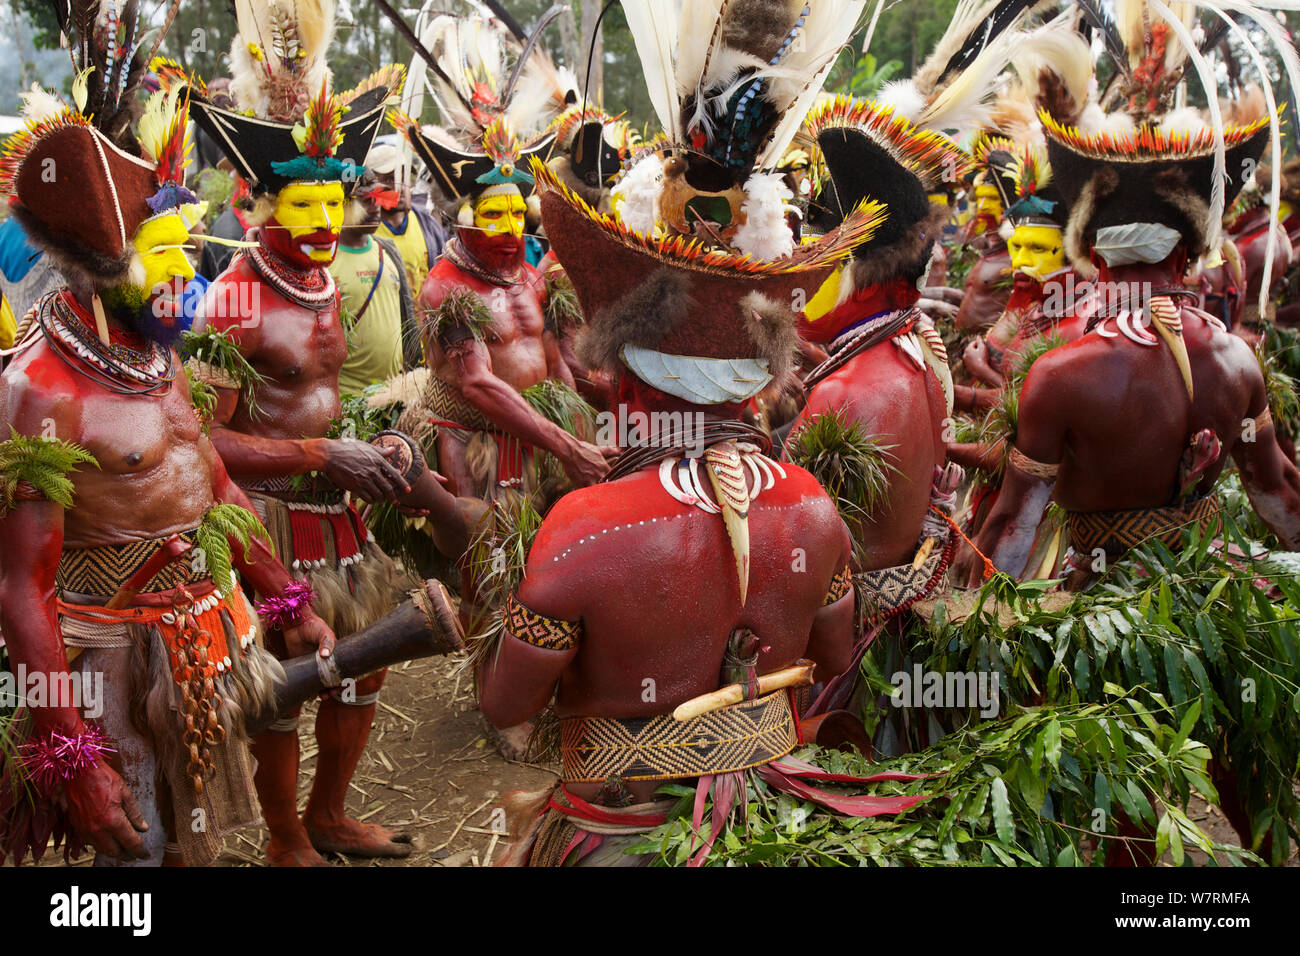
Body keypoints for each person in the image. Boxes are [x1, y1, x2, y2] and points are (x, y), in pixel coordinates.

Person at [0, 22, 334, 866]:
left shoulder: (156, 349)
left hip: (199, 639)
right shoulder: (42, 388)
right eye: (169, 256)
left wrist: (283, 600)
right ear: (107, 265)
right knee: (133, 865)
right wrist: (73, 756)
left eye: (190, 252)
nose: (191, 278)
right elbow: (19, 590)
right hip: (107, 663)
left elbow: (215, 483)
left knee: (194, 844)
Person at [183, 0, 422, 864]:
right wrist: (320, 453)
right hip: (269, 521)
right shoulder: (234, 299)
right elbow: (200, 445)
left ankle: (329, 815)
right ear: (260, 203)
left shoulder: (329, 285)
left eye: (337, 201)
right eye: (306, 204)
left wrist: (381, 439)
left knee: (365, 672)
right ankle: (287, 838)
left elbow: (339, 399)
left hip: (346, 513)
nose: (326, 223)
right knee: (285, 683)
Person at [331, 171, 418, 396]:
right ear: (343, 204)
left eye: (376, 199)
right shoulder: (325, 260)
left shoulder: (388, 250)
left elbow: (407, 318)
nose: (375, 208)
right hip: (348, 399)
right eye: (365, 201)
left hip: (394, 394)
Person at [368, 143, 446, 294]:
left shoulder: (429, 225)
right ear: (369, 184)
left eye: (404, 178)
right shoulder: (362, 233)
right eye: (390, 179)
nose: (400, 187)